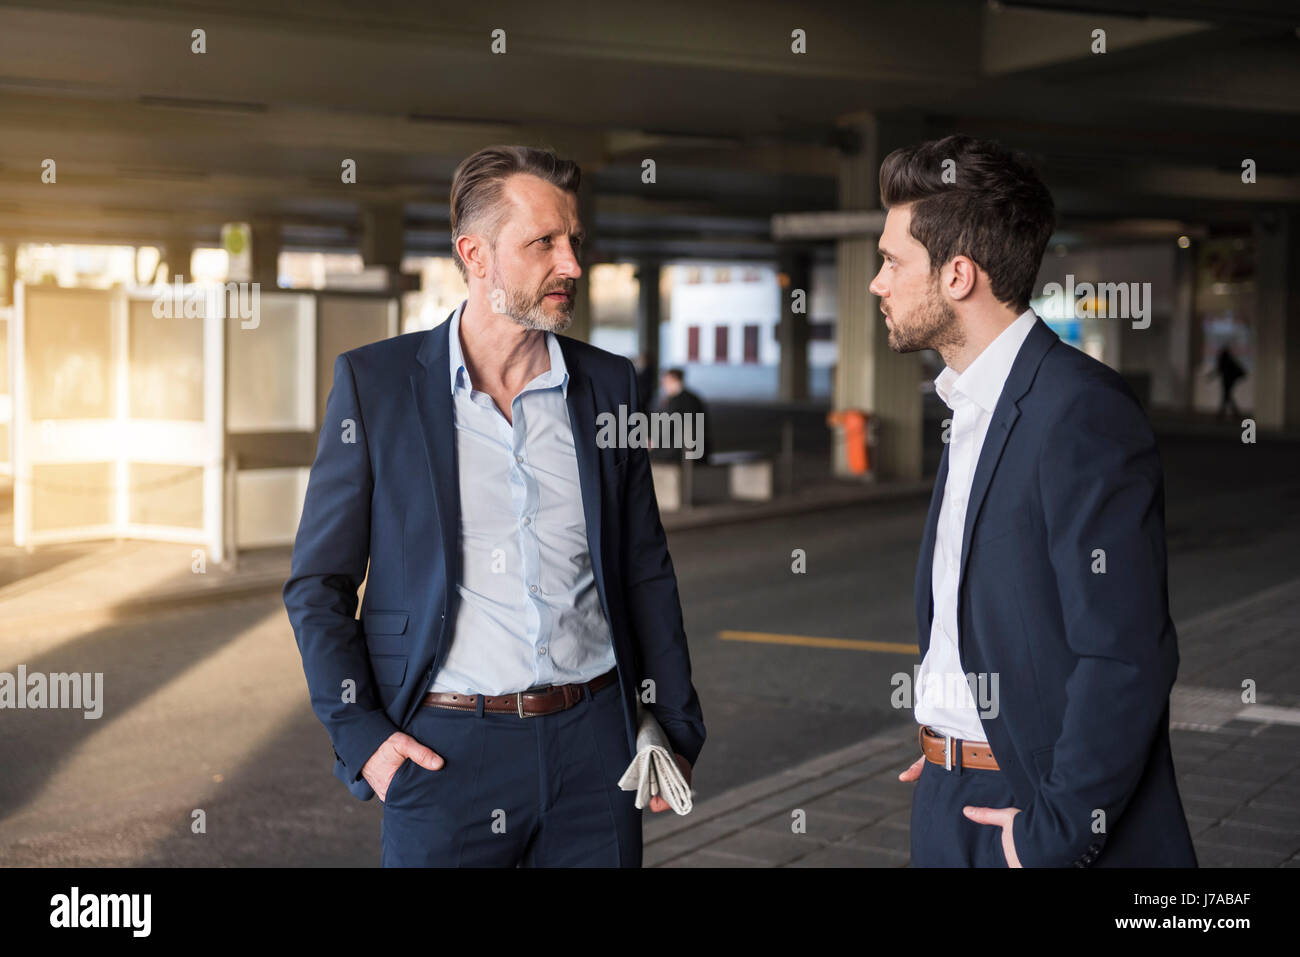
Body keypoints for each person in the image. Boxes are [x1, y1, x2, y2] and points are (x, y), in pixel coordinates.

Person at [283, 145, 704, 867]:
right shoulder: (377, 386)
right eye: (544, 242)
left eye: (574, 241)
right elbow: (317, 584)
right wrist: (365, 739)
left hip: (596, 752)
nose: (572, 264)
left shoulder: (608, 387)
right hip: (446, 757)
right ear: (475, 254)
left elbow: (643, 569)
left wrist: (673, 722)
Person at [874, 135, 1196, 867]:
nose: (877, 282)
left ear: (958, 274)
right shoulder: (972, 402)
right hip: (947, 789)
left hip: (1026, 815)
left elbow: (1124, 654)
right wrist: (952, 733)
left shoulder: (1079, 410)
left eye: (892, 261)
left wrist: (1057, 832)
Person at [649, 367, 709, 463]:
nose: (663, 386)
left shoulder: (678, 401)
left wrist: (653, 442)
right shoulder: (692, 398)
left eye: (665, 382)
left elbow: (668, 427)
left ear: (674, 380)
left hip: (681, 451)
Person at [1211, 344, 1245, 420]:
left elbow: (1218, 370)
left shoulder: (1225, 360)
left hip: (1228, 381)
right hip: (1229, 381)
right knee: (1227, 397)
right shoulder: (1229, 360)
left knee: (1226, 397)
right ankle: (1232, 414)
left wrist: (1210, 377)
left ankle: (1223, 414)